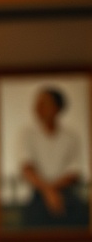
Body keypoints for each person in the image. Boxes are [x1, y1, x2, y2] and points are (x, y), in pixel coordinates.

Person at [16, 87, 89, 228]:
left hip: (66, 193)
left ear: (57, 108)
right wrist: (48, 191)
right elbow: (27, 168)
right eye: (37, 104)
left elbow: (74, 171)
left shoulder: (71, 137)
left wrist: (52, 190)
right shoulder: (27, 135)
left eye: (43, 103)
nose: (38, 108)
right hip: (37, 194)